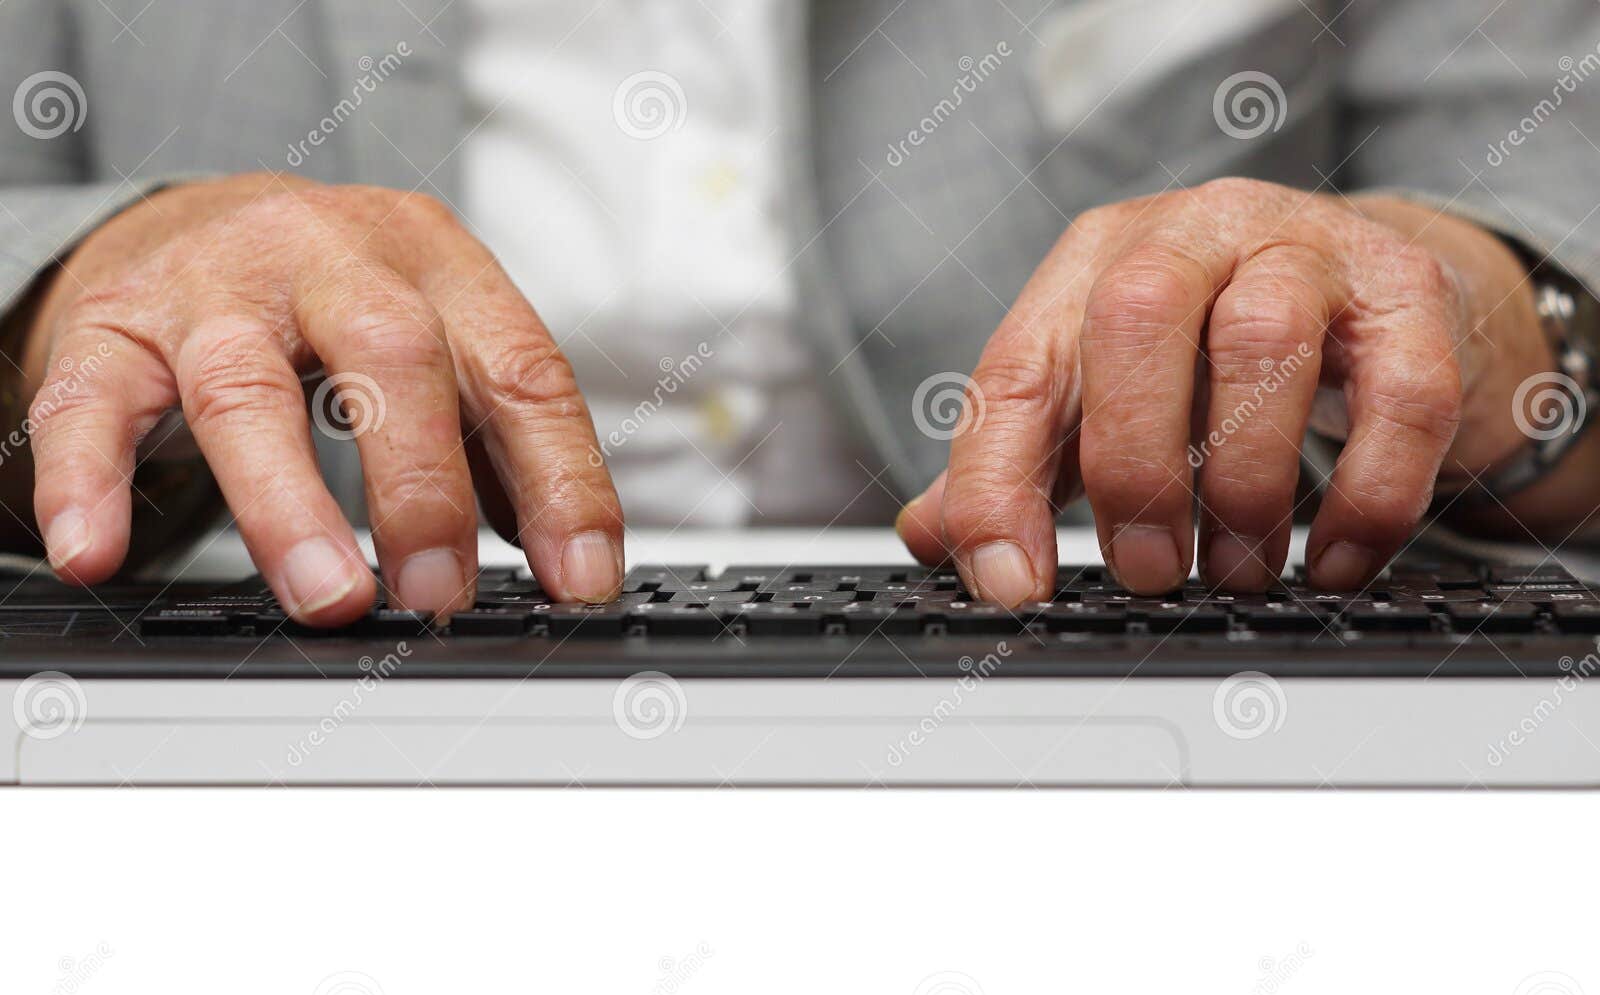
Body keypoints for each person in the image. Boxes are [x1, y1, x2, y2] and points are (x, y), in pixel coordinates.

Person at [2, 0, 1598, 626]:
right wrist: (76, 290)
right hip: (272, 693)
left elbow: (1554, 214)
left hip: (1106, 686)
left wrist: (1491, 324)